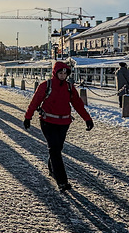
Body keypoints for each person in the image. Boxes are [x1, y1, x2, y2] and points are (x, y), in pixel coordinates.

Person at [23, 61, 93, 193]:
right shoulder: (46, 85)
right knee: (54, 149)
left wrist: (87, 119)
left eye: (65, 73)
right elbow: (35, 101)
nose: (63, 75)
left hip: (64, 123)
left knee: (57, 149)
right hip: (47, 122)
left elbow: (78, 104)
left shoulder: (69, 87)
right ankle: (62, 181)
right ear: (55, 73)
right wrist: (28, 117)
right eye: (60, 73)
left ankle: (52, 169)